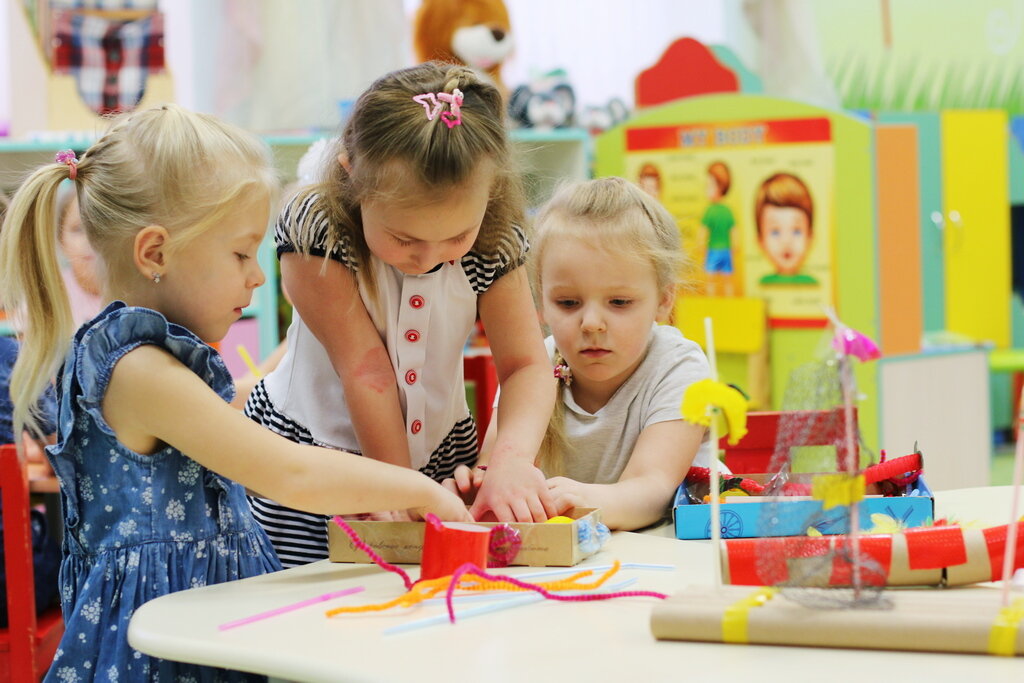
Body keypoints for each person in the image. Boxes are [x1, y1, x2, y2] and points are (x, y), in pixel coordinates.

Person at [0, 104, 470, 681]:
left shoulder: (160, 361)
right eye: (241, 253)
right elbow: (285, 472)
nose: (257, 276)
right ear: (155, 253)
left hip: (202, 623)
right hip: (162, 651)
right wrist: (423, 492)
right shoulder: (138, 370)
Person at [246, 62, 563, 567]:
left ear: (491, 193)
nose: (430, 257)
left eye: (456, 237)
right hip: (315, 458)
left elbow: (526, 364)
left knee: (430, 601)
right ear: (353, 179)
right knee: (313, 610)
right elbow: (365, 369)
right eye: (404, 239)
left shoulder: (495, 240)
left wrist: (509, 460)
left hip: (438, 456)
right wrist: (394, 486)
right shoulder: (318, 227)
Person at [448, 177, 718, 530]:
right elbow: (495, 465)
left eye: (619, 302)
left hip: (665, 560)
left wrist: (580, 497)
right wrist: (477, 490)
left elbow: (652, 492)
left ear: (664, 301)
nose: (591, 323)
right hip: (563, 566)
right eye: (568, 303)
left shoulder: (680, 367)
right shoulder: (532, 368)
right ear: (541, 299)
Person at [754, 172, 818, 285]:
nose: (786, 242)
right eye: (775, 232)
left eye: (796, 231)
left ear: (810, 237)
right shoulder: (763, 283)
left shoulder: (811, 283)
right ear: (760, 241)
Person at [701, 161, 736, 296]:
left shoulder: (711, 211)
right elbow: (734, 230)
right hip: (725, 249)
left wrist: (701, 244)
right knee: (726, 278)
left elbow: (703, 231)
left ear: (720, 187)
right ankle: (725, 300)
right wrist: (735, 244)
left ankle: (715, 300)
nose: (706, 190)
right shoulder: (726, 210)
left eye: (709, 185)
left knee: (712, 278)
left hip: (715, 251)